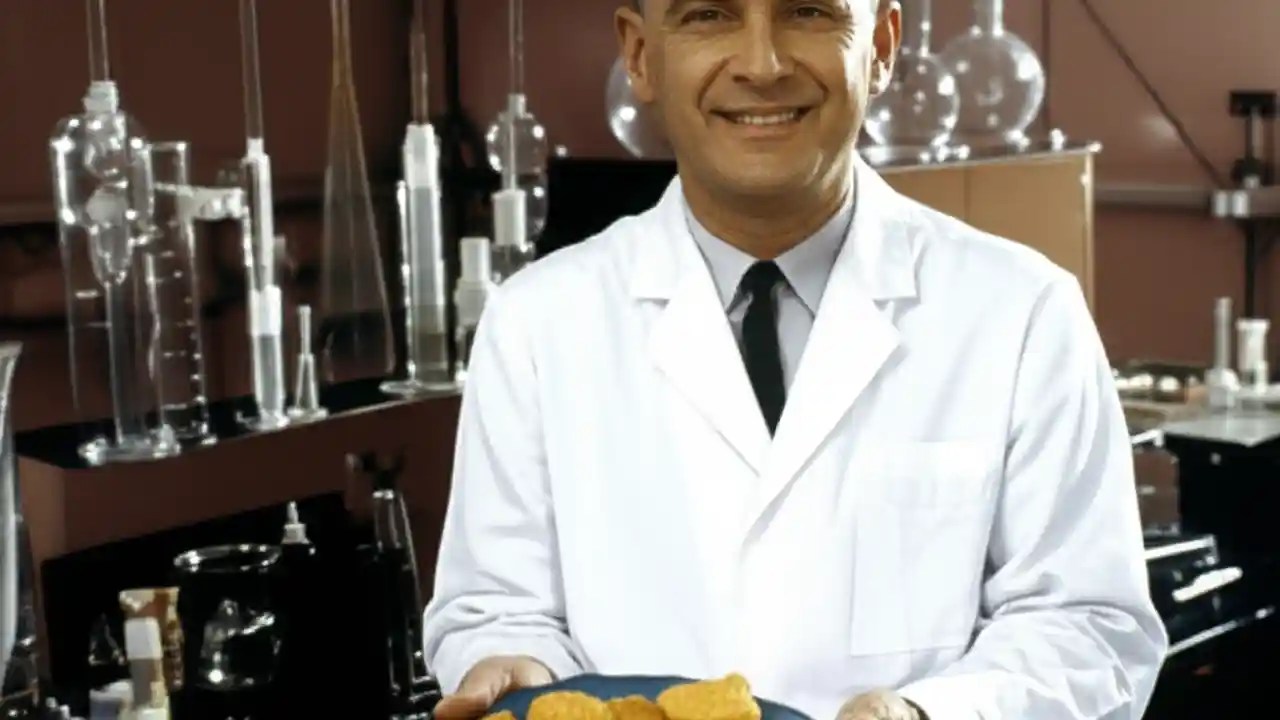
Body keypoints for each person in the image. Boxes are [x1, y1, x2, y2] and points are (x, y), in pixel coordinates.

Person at [423, 0, 1168, 718]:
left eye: (809, 11)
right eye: (709, 14)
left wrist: (923, 714)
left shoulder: (1024, 312)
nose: (762, 63)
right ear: (642, 56)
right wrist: (517, 671)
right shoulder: (536, 323)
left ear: (880, 46)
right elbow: (498, 612)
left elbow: (1089, 632)